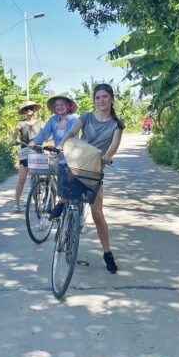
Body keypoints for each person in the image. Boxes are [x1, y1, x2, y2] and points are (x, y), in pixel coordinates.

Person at [60, 83, 125, 274]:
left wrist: (108, 155)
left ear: (111, 98)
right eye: (98, 97)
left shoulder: (117, 124)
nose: (101, 100)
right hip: (77, 164)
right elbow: (72, 132)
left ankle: (107, 254)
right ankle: (61, 205)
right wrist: (62, 144)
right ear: (94, 100)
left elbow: (113, 145)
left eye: (105, 97)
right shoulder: (87, 117)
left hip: (94, 170)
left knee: (98, 214)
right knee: (64, 188)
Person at [31, 94, 79, 217]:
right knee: (57, 180)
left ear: (68, 106)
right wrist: (35, 142)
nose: (59, 107)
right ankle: (52, 202)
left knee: (73, 190)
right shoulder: (53, 120)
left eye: (62, 104)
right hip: (58, 156)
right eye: (57, 105)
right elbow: (44, 133)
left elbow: (74, 135)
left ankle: (76, 215)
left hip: (73, 157)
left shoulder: (74, 119)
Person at [11, 101, 45, 212]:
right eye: (26, 108)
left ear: (34, 109)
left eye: (31, 108)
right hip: (25, 152)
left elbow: (47, 133)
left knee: (41, 178)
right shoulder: (21, 123)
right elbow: (14, 133)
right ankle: (16, 203)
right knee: (21, 179)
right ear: (24, 111)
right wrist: (13, 140)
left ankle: (40, 201)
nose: (29, 110)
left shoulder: (41, 123)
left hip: (38, 152)